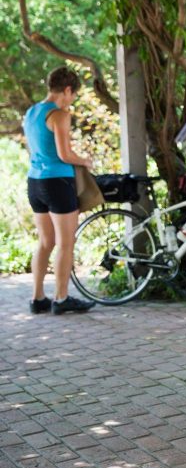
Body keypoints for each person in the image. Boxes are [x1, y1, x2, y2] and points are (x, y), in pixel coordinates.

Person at [23, 66, 96, 315]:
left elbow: (37, 150)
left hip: (35, 182)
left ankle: (37, 298)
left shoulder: (31, 112)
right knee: (66, 242)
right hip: (57, 183)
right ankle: (62, 298)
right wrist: (85, 161)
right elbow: (65, 155)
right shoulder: (59, 115)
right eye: (73, 95)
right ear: (67, 90)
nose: (72, 100)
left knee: (45, 242)